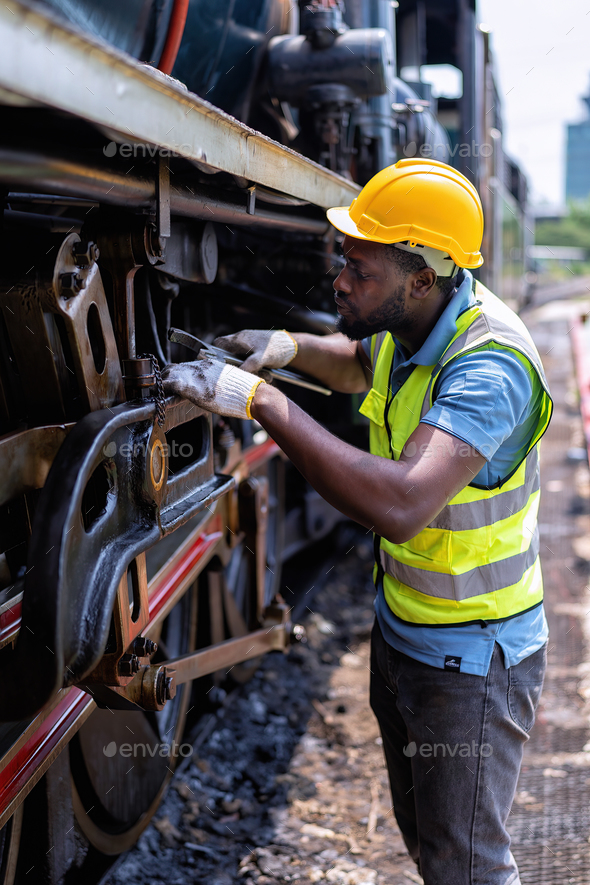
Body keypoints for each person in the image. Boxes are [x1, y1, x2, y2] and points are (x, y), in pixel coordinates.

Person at [163, 159, 552, 885]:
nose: (341, 280)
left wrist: (263, 402)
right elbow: (357, 364)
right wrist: (285, 350)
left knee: (468, 866)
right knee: (434, 850)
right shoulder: (418, 321)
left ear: (421, 279)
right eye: (345, 259)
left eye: (360, 268)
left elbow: (401, 504)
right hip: (409, 634)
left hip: (472, 661)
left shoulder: (488, 366)